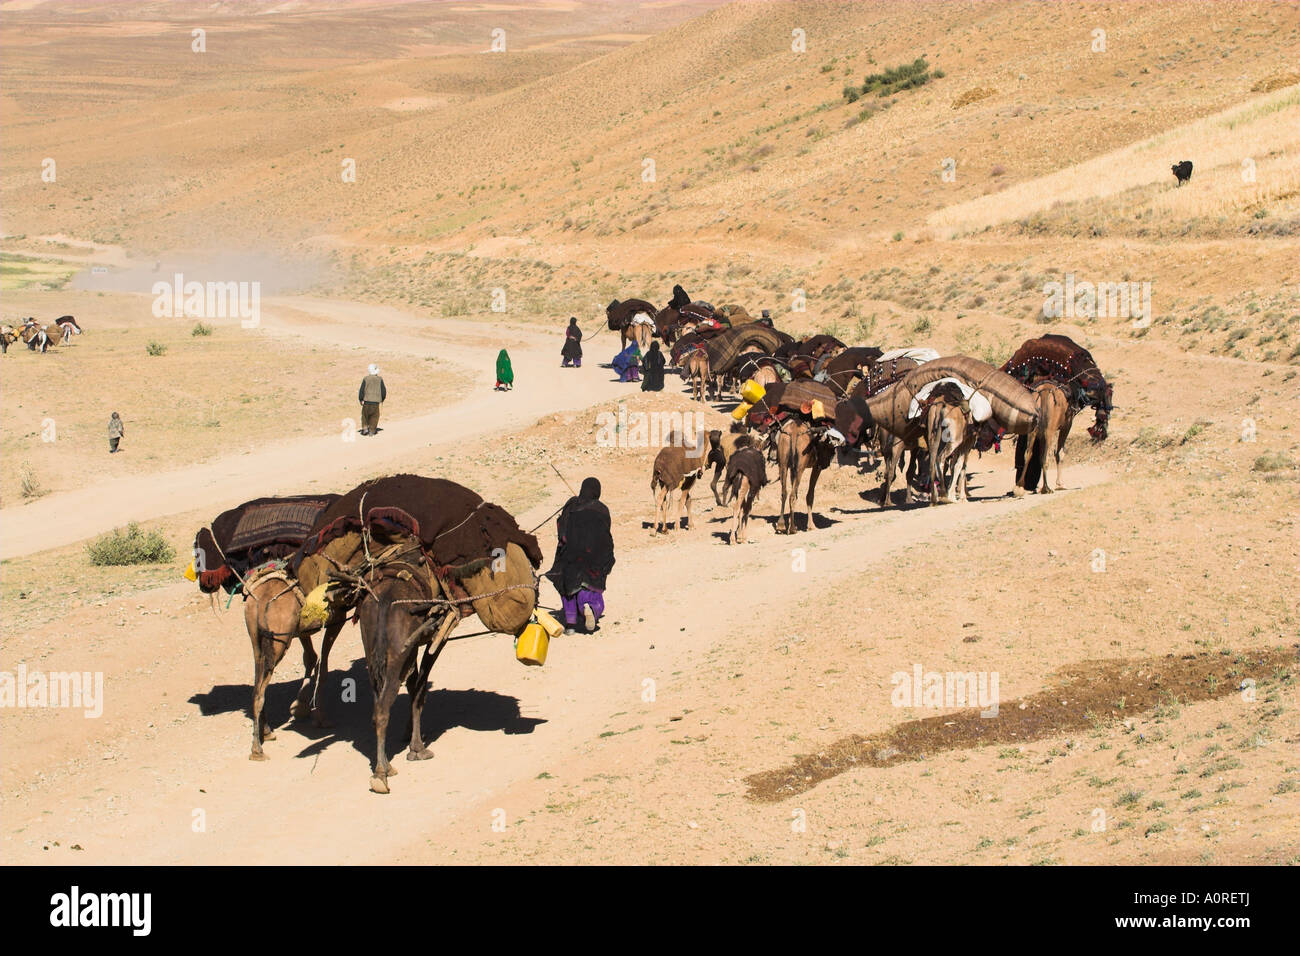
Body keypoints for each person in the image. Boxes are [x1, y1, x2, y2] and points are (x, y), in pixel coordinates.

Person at [545, 477, 614, 635]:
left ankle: (570, 624)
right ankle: (589, 607)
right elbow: (605, 534)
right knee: (589, 588)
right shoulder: (602, 509)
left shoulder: (571, 505)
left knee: (568, 586)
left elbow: (562, 528)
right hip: (594, 558)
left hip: (571, 557)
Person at [358, 364, 386, 436]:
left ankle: (365, 428)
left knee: (364, 416)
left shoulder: (366, 379)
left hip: (366, 401)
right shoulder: (380, 379)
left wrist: (361, 399)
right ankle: (372, 430)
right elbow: (383, 391)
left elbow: (362, 390)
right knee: (374, 416)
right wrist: (382, 399)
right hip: (376, 402)